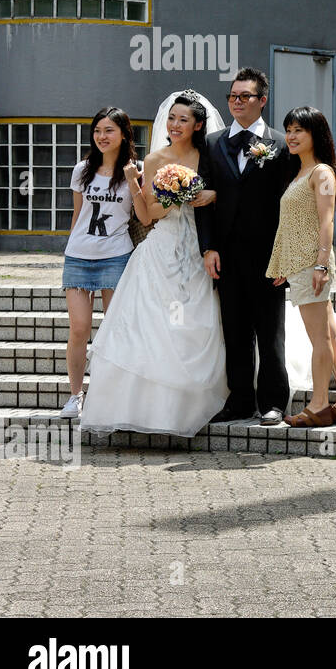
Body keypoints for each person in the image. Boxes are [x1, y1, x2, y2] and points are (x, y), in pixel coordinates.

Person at [80, 91, 229, 436]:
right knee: (151, 324)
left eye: (183, 120)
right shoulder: (155, 159)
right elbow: (146, 216)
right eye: (172, 118)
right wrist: (168, 195)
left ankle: (188, 406)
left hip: (198, 248)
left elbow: (222, 196)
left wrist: (208, 194)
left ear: (198, 125)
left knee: (192, 321)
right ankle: (143, 411)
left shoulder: (209, 156)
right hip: (160, 247)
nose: (175, 125)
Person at [198, 68, 294, 426]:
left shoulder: (281, 145)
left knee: (270, 334)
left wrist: (287, 255)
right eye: (232, 96)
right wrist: (208, 247)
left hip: (269, 256)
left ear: (262, 100)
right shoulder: (212, 143)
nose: (237, 102)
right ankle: (239, 401)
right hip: (226, 254)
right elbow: (203, 200)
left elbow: (290, 204)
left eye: (245, 96)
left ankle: (272, 403)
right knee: (234, 332)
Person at [263, 107, 336, 428]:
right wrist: (281, 264)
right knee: (331, 335)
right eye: (288, 130)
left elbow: (326, 220)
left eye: (298, 130)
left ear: (314, 134)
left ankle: (319, 405)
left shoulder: (321, 173)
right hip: (302, 264)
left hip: (312, 264)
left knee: (318, 338)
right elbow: (290, 225)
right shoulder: (300, 173)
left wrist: (320, 264)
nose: (290, 136)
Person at [59, 108, 143, 419]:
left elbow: (144, 216)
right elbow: (77, 215)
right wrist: (71, 249)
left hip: (116, 255)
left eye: (109, 130)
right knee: (79, 329)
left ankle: (111, 395)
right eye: (97, 130)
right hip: (80, 256)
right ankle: (75, 396)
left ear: (123, 134)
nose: (102, 136)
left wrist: (135, 182)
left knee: (114, 328)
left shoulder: (136, 170)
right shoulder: (82, 170)